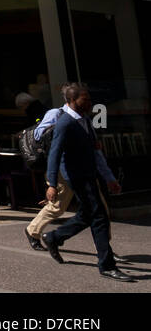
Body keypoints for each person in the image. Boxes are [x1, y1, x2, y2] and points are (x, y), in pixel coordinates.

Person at [41, 84, 132, 281]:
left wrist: (109, 178)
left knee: (87, 215)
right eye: (85, 100)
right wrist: (51, 183)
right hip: (77, 177)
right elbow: (54, 154)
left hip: (89, 174)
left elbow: (95, 152)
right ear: (72, 101)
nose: (90, 103)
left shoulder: (85, 121)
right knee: (99, 217)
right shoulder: (65, 124)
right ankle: (107, 265)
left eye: (90, 99)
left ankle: (54, 237)